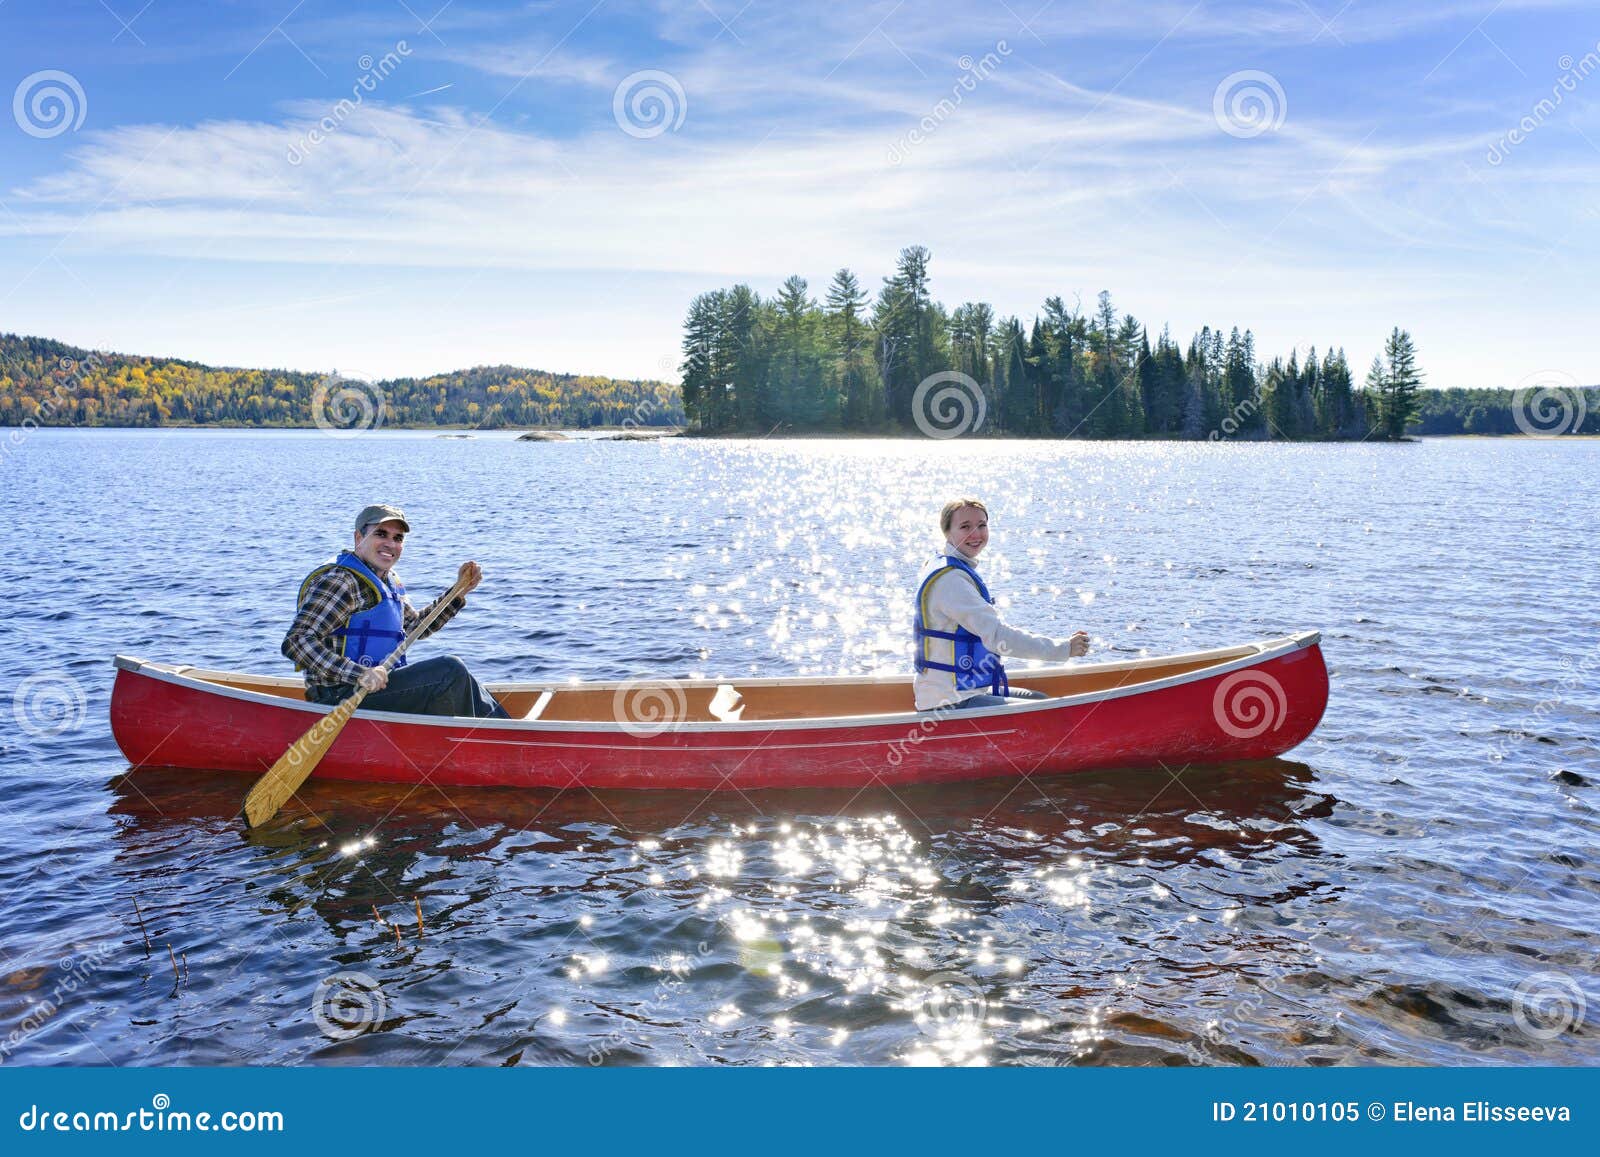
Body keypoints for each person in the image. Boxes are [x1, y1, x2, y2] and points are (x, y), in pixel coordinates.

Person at [282, 503, 509, 718]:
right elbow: (296, 641)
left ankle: (501, 732)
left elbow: (416, 628)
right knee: (449, 671)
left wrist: (457, 593)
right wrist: (360, 674)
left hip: (378, 691)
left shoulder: (387, 581)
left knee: (461, 679)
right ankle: (507, 738)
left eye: (397, 538)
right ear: (358, 537)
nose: (390, 544)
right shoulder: (341, 581)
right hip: (339, 696)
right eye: (381, 534)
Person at [913, 498, 1090, 712]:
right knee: (1045, 712)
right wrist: (1063, 649)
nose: (976, 534)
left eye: (982, 525)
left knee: (1038, 699)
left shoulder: (948, 566)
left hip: (963, 693)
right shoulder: (951, 581)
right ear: (947, 532)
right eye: (965, 527)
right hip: (949, 702)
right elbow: (998, 636)